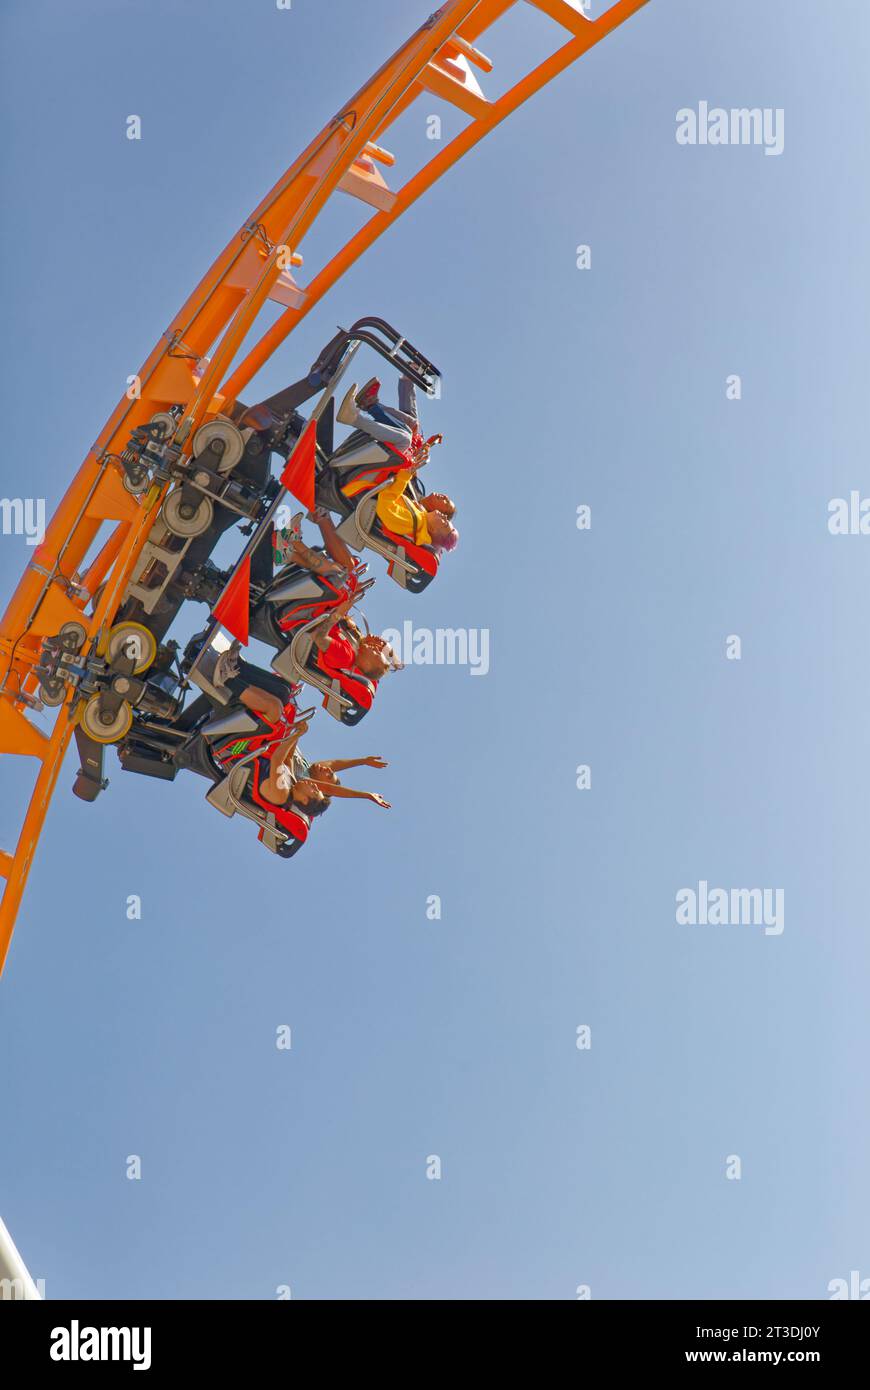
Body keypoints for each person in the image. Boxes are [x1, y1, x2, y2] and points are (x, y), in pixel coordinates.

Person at [335, 376, 459, 553]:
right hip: (383, 472)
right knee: (412, 429)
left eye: (445, 521)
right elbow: (405, 476)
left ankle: (356, 415)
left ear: (436, 532)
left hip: (366, 482)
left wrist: (408, 470)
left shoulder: (413, 522)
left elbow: (387, 502)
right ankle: (406, 379)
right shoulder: (418, 506)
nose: (444, 498)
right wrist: (423, 451)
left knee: (405, 439)